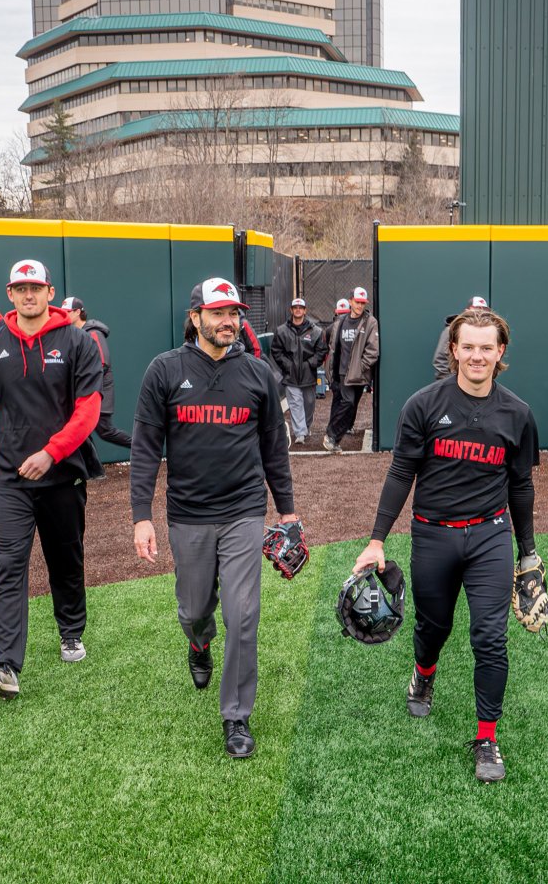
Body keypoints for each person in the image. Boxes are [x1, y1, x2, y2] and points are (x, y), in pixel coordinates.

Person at [352, 307, 538, 783]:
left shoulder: (517, 413)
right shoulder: (422, 405)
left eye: (486, 347)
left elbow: (520, 487)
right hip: (434, 534)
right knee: (434, 626)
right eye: (468, 347)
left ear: (501, 353)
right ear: (454, 350)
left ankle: (487, 737)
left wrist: (528, 550)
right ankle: (424, 673)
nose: (477, 356)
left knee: (491, 639)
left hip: (490, 535)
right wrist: (377, 540)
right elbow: (401, 474)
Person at [130, 277, 297, 758]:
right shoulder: (164, 371)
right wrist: (142, 516)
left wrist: (286, 511)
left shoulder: (258, 374)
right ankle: (199, 644)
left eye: (235, 313)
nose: (229, 321)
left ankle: (237, 717)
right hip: (188, 515)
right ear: (195, 317)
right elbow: (144, 450)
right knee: (194, 609)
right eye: (219, 312)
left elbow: (274, 451)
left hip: (244, 511)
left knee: (243, 616)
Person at [0, 260, 104, 700]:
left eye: (36, 288)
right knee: (8, 566)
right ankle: (5, 665)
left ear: (49, 292)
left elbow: (89, 410)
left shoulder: (78, 341)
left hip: (62, 475)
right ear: (10, 294)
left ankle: (70, 631)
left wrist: (52, 453)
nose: (29, 295)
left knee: (66, 561)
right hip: (9, 479)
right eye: (20, 288)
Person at [62, 297, 133, 448]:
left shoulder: (93, 333)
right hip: (86, 390)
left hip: (99, 389)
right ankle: (92, 469)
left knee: (105, 430)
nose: (64, 315)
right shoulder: (75, 334)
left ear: (78, 312)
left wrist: (85, 382)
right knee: (78, 430)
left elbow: (103, 362)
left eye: (67, 312)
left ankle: (143, 448)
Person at [324, 287, 378, 452]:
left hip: (359, 374)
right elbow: (333, 346)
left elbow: (373, 351)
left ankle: (333, 439)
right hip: (342, 372)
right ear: (350, 301)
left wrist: (360, 368)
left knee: (351, 406)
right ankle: (331, 435)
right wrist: (330, 369)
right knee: (346, 403)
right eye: (357, 302)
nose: (360, 306)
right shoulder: (340, 322)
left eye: (362, 303)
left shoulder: (370, 322)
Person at [271, 297, 328, 444]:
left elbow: (322, 350)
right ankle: (300, 433)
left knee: (309, 403)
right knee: (295, 404)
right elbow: (276, 351)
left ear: (305, 310)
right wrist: (287, 365)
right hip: (291, 376)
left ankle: (306, 425)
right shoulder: (282, 330)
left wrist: (311, 364)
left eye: (300, 307)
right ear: (291, 310)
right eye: (295, 307)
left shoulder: (315, 331)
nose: (298, 310)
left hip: (308, 375)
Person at [432, 296, 489, 380]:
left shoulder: (486, 332)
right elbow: (440, 361)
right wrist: (449, 385)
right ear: (467, 311)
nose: (480, 313)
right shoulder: (451, 330)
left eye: (484, 310)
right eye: (477, 309)